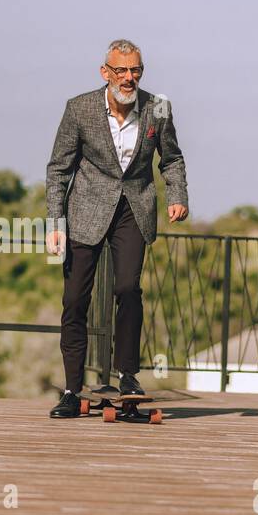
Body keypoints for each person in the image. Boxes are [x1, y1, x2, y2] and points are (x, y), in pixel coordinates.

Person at [45, 39, 189, 417]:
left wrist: (178, 196)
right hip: (86, 211)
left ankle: (128, 376)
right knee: (75, 300)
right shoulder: (79, 109)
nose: (129, 78)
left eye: (136, 70)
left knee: (128, 288)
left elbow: (171, 159)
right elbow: (59, 169)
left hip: (133, 209)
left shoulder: (157, 108)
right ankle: (72, 389)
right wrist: (55, 222)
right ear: (105, 72)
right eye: (121, 71)